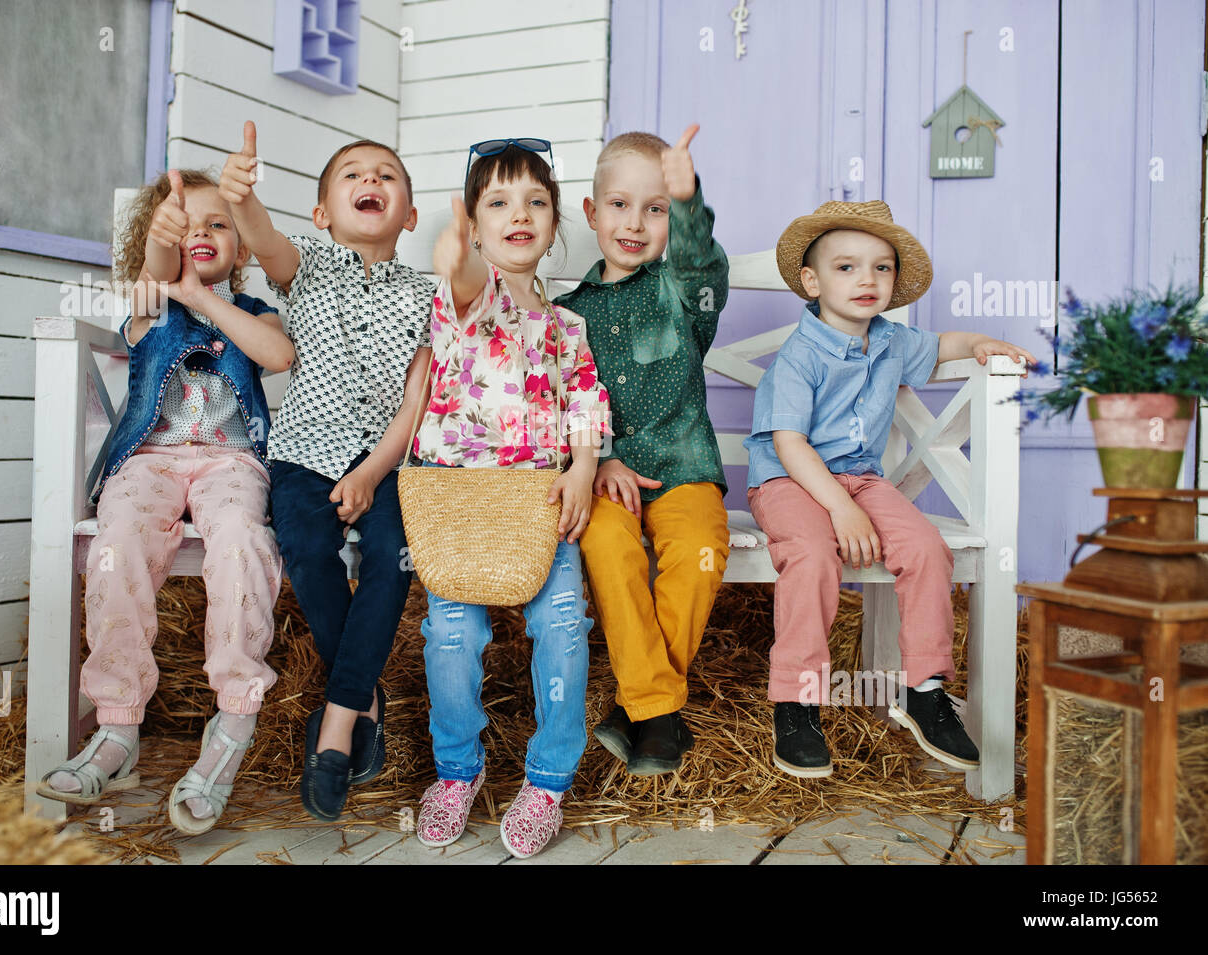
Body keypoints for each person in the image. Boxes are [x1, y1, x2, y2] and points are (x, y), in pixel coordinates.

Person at [38, 168, 295, 834]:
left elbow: (278, 352)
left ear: (238, 246)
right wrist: (164, 237)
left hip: (230, 462)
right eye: (189, 224)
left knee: (242, 539)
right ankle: (117, 727)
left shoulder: (248, 310)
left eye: (218, 225)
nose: (203, 233)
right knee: (115, 541)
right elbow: (156, 270)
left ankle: (234, 719)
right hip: (149, 460)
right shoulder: (151, 302)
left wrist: (209, 300)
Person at [744, 199, 1035, 778]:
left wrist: (982, 344)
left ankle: (923, 690)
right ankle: (798, 703)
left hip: (862, 481)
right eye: (847, 267)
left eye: (881, 268)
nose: (867, 280)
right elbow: (790, 444)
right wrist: (842, 511)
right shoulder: (800, 354)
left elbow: (946, 344)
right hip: (790, 480)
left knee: (928, 549)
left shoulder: (891, 341)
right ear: (813, 280)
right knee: (811, 554)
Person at [220, 121, 434, 820]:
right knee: (306, 547)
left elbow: (418, 398)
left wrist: (374, 469)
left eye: (386, 176)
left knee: (390, 557)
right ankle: (365, 694)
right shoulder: (303, 265)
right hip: (306, 451)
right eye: (352, 175)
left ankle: (337, 726)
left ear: (406, 212)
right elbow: (263, 240)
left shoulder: (426, 295)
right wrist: (242, 197)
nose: (370, 181)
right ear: (321, 214)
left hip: (392, 458)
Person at [413, 140, 610, 858]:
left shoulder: (567, 327)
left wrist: (584, 467)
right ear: (474, 221)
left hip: (540, 500)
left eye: (534, 201)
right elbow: (465, 281)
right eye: (497, 201)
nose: (518, 214)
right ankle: (457, 770)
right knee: (452, 636)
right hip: (459, 499)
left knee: (562, 624)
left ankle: (549, 778)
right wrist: (458, 252)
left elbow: (588, 403)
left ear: (555, 223)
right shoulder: (469, 298)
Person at [555, 127, 730, 775]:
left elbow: (703, 265)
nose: (635, 222)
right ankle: (660, 714)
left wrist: (688, 203)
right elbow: (555, 406)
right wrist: (597, 458)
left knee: (700, 550)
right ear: (591, 212)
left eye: (655, 209)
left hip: (684, 467)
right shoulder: (565, 317)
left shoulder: (682, 293)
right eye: (620, 205)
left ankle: (643, 707)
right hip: (604, 475)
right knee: (605, 543)